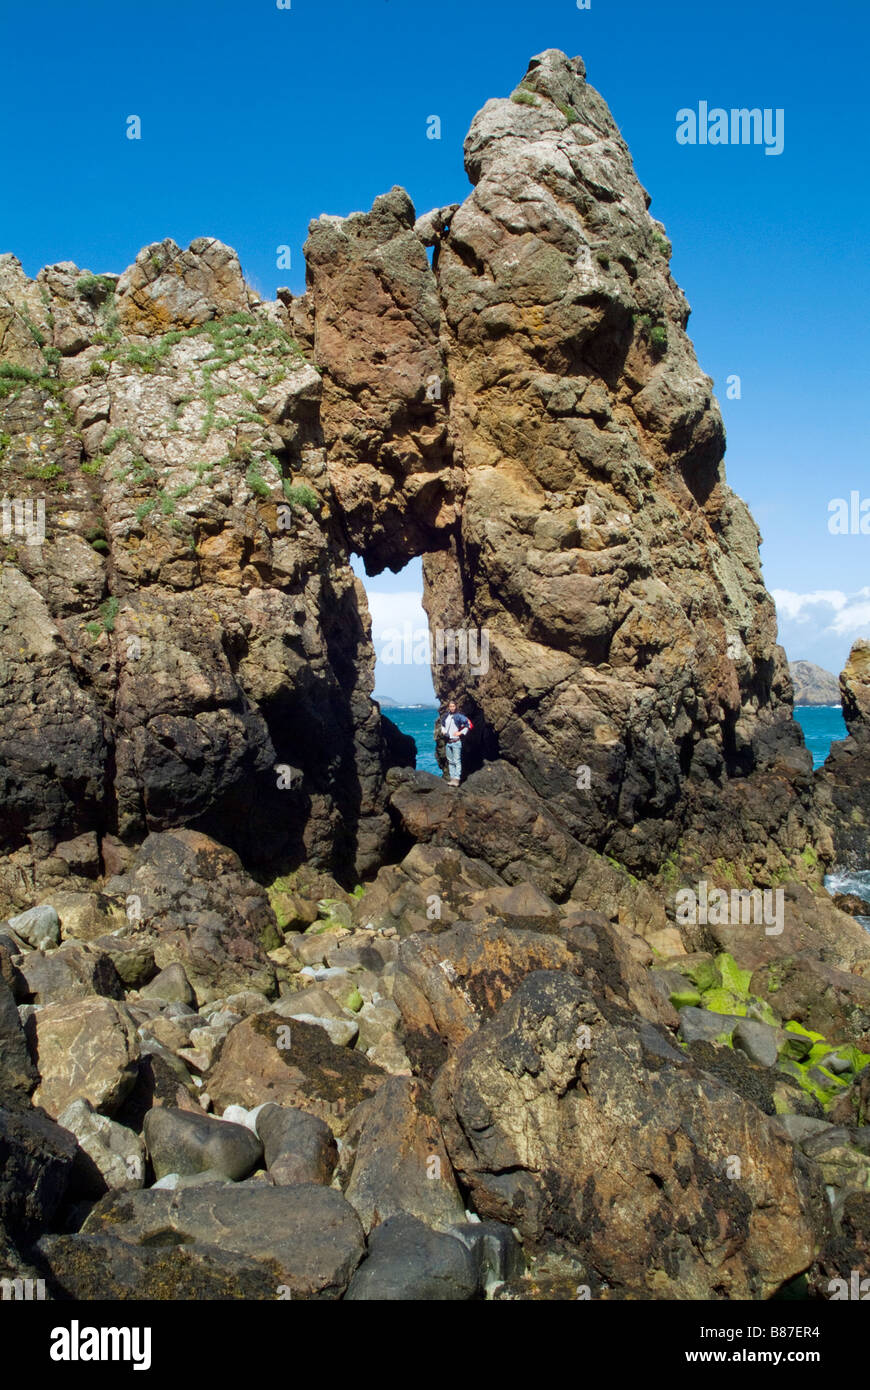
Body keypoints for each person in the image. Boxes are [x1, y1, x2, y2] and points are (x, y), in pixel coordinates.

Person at [440, 699, 472, 786]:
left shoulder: (459, 716)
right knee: (450, 761)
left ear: (456, 707)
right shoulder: (446, 716)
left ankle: (457, 779)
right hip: (448, 742)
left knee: (457, 761)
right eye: (450, 706)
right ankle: (452, 778)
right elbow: (442, 724)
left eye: (453, 706)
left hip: (456, 742)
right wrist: (443, 731)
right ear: (448, 707)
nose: (452, 708)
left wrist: (460, 733)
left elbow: (468, 725)